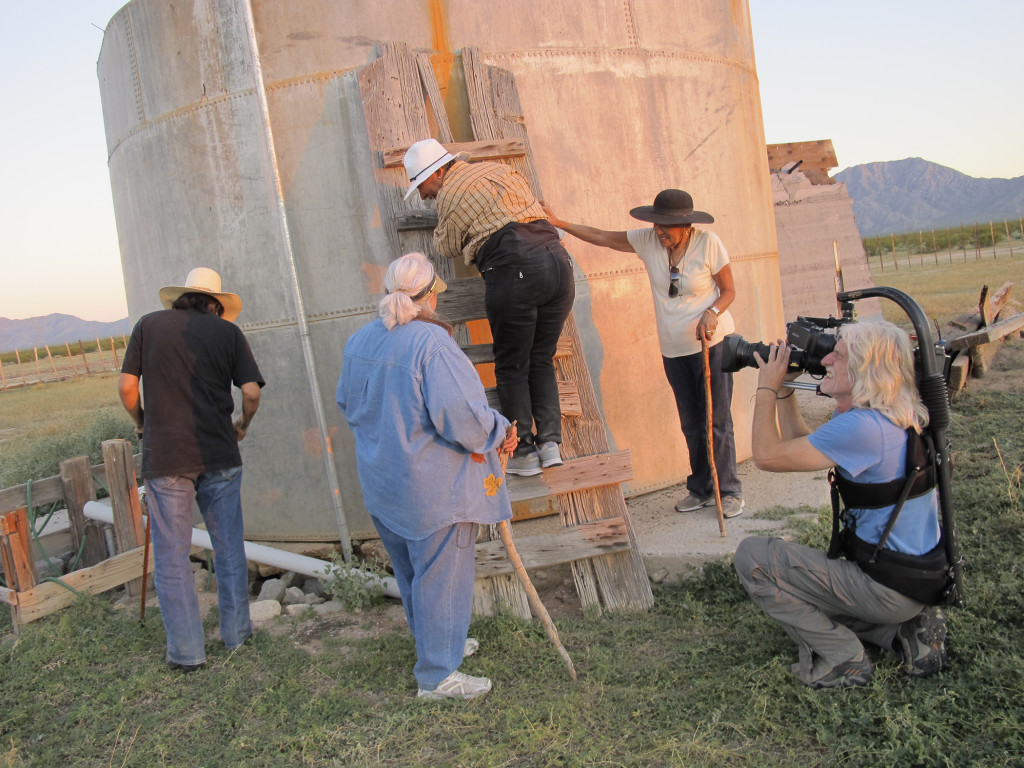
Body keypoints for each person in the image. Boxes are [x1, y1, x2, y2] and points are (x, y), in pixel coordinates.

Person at [336, 252, 518, 700]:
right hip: (434, 490)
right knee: (442, 578)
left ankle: (438, 643)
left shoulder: (361, 340)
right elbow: (466, 422)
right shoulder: (432, 344)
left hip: (384, 482)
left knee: (415, 574)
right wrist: (501, 427)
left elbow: (347, 404)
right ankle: (437, 676)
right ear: (431, 294)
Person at [734, 319, 948, 689]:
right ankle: (900, 633)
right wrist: (786, 389)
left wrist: (766, 387)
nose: (827, 359)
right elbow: (803, 445)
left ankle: (843, 658)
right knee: (806, 590)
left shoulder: (863, 428)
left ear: (865, 369)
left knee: (753, 558)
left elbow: (767, 456)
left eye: (839, 354)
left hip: (885, 587)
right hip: (910, 580)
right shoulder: (888, 414)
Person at [543, 189, 743, 518]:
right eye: (655, 224)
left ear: (686, 226)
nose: (658, 231)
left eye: (665, 226)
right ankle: (702, 489)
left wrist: (713, 312)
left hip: (713, 343)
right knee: (691, 424)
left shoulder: (708, 243)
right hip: (674, 349)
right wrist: (559, 222)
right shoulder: (649, 241)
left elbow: (729, 290)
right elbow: (603, 237)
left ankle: (730, 490)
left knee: (716, 420)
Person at [118, 267, 264, 672]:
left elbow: (127, 387)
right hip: (219, 452)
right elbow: (250, 392)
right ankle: (237, 636)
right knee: (229, 546)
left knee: (172, 555)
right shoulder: (228, 334)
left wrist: (141, 421)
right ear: (217, 305)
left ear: (181, 298)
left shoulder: (148, 326)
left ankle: (187, 654)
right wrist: (243, 425)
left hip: (166, 456)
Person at [402, 138, 575, 477]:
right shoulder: (500, 170)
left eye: (421, 185)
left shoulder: (451, 195)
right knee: (540, 356)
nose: (423, 195)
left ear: (437, 172)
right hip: (558, 263)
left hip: (517, 267)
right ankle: (551, 444)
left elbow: (446, 245)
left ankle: (523, 450)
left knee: (511, 364)